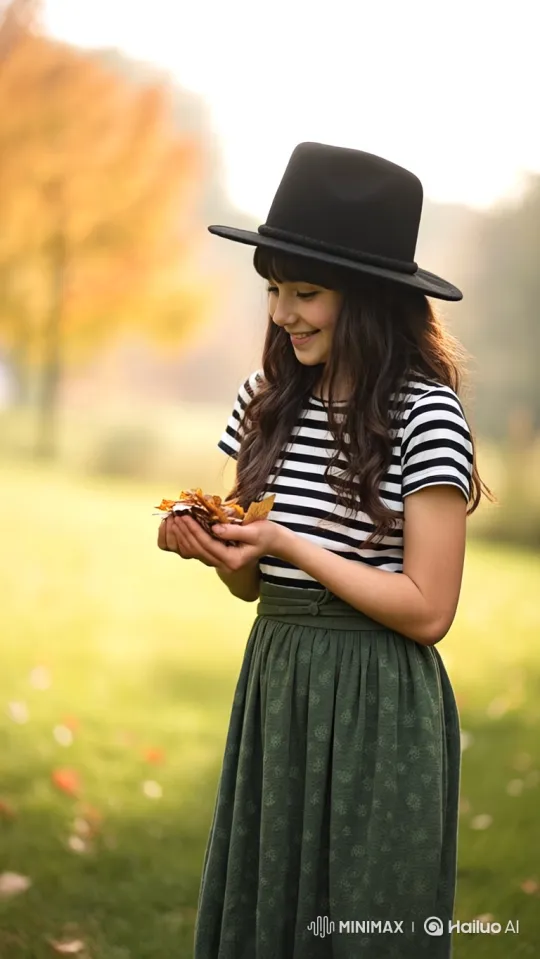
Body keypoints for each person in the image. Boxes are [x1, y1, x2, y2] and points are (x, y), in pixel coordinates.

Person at [157, 143, 492, 958]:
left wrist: (285, 541)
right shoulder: (264, 401)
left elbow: (428, 609)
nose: (282, 313)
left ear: (371, 299)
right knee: (267, 914)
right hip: (280, 685)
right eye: (274, 289)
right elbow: (257, 585)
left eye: (306, 292)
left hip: (379, 705)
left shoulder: (426, 417)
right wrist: (224, 553)